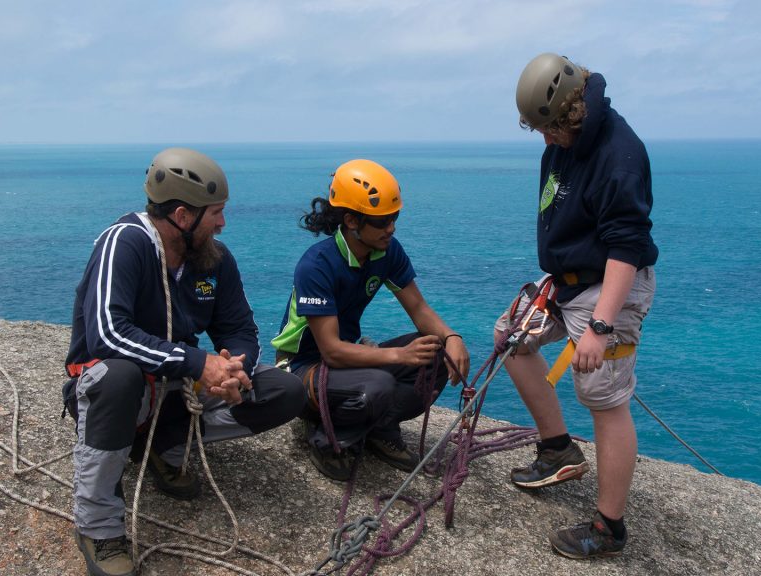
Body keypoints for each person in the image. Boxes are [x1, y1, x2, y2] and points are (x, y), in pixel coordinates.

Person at [63, 148, 306, 576]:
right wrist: (198, 363)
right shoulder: (125, 243)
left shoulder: (213, 258)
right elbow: (106, 333)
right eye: (216, 213)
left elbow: (240, 331)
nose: (222, 223)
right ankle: (98, 525)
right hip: (117, 389)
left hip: (176, 390)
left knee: (284, 391)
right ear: (181, 215)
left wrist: (234, 370)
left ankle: (163, 442)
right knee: (119, 378)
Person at [496, 53, 658, 559]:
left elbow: (626, 246)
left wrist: (601, 327)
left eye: (547, 128)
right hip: (566, 282)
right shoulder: (562, 145)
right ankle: (557, 448)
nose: (543, 140)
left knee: (604, 400)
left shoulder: (620, 154)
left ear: (571, 114)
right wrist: (555, 278)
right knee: (511, 339)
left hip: (611, 285)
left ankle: (609, 528)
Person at [272, 159, 471, 482]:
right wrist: (398, 355)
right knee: (378, 386)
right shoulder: (317, 265)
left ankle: (379, 429)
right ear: (351, 220)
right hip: (302, 368)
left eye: (394, 218)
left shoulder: (386, 251)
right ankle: (326, 440)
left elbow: (418, 308)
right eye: (381, 221)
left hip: (342, 361)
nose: (391, 228)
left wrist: (452, 337)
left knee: (436, 353)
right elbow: (331, 351)